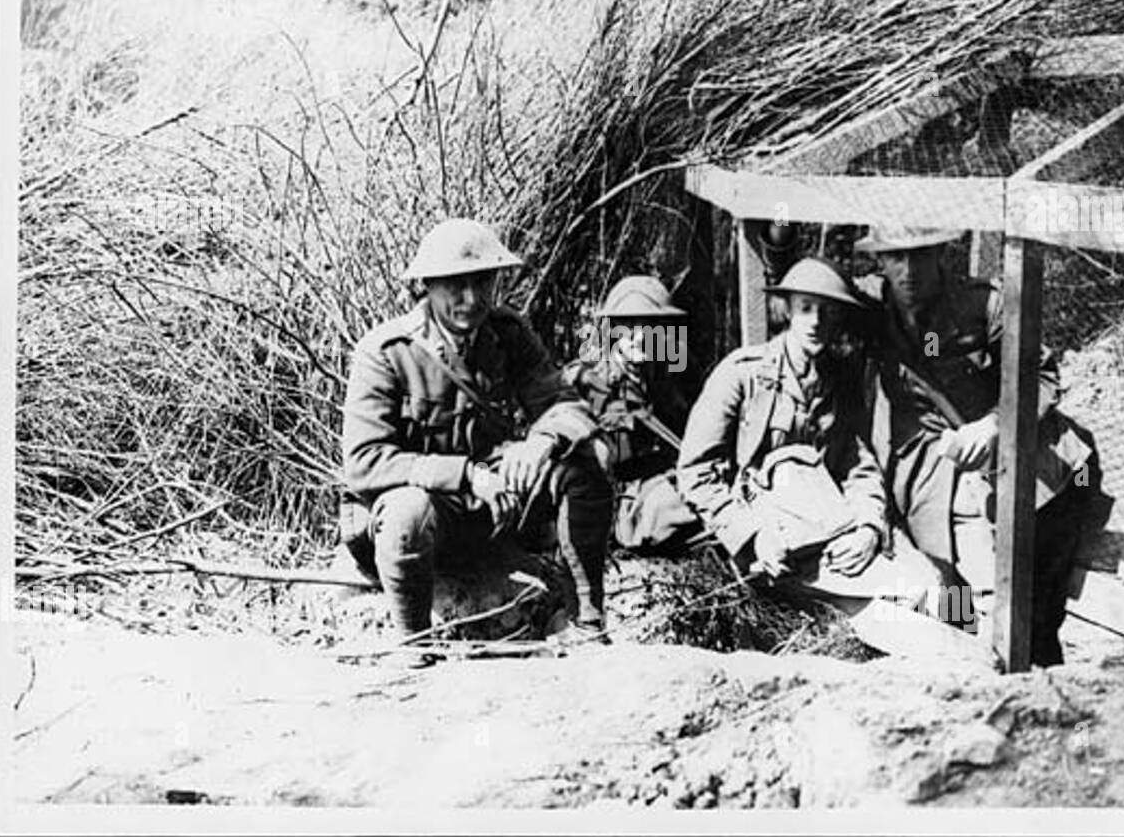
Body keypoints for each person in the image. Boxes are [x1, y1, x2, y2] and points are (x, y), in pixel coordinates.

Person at [339, 218, 613, 638]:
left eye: (483, 283)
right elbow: (364, 463)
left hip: (494, 509)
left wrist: (540, 441)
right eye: (456, 286)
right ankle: (413, 643)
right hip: (432, 513)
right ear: (427, 286)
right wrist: (467, 476)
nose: (472, 299)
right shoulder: (386, 353)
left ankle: (589, 624)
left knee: (583, 465)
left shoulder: (507, 335)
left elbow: (566, 406)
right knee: (408, 511)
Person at [858, 224, 1107, 666]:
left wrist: (996, 423)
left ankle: (1037, 674)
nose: (909, 270)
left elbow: (1041, 375)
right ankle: (979, 662)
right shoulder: (869, 308)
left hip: (1029, 457)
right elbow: (806, 304)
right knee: (950, 582)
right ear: (879, 261)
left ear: (940, 255)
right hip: (934, 467)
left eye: (920, 255)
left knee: (1034, 608)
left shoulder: (982, 303)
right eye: (896, 257)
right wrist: (776, 240)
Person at [675, 256, 945, 623]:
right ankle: (956, 666)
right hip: (776, 542)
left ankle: (987, 659)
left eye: (827, 312)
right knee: (887, 612)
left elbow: (856, 464)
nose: (816, 322)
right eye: (806, 309)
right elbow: (696, 473)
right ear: (786, 310)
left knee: (936, 589)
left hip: (838, 525)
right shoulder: (743, 375)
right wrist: (753, 537)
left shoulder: (840, 380)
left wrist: (869, 527)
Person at [562, 275, 701, 552]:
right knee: (675, 508)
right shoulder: (587, 379)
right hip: (613, 495)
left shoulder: (675, 370)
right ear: (611, 330)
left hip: (665, 474)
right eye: (628, 327)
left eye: (649, 327)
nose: (639, 337)